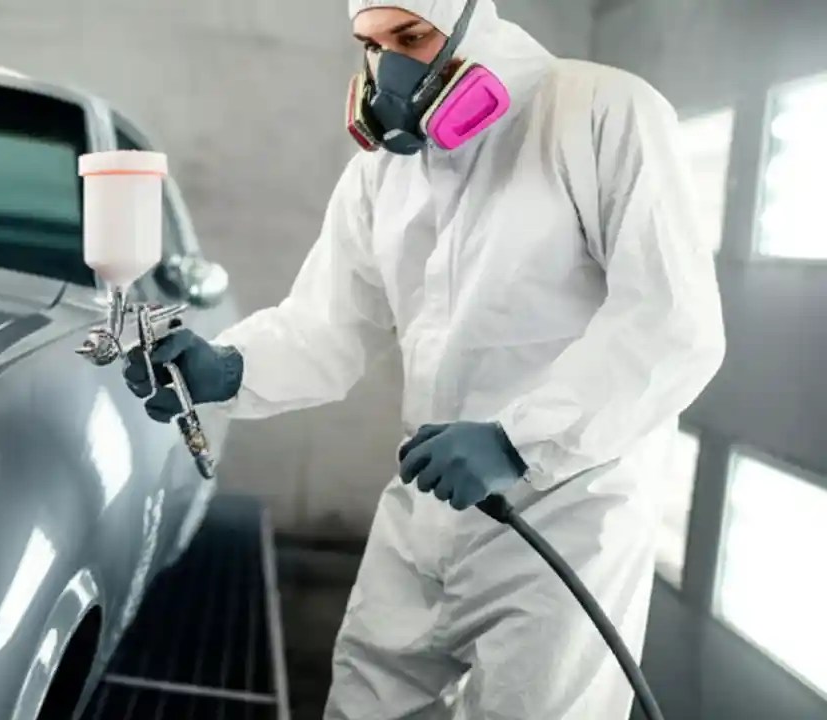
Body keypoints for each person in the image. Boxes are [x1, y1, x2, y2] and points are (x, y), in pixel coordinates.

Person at [122, 0, 726, 717]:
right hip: (427, 500)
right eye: (372, 45)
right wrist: (229, 368)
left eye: (411, 37)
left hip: (565, 515)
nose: (390, 71)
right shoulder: (382, 174)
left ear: (476, 25)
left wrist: (518, 440)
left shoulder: (600, 113)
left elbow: (672, 323)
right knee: (363, 703)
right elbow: (329, 325)